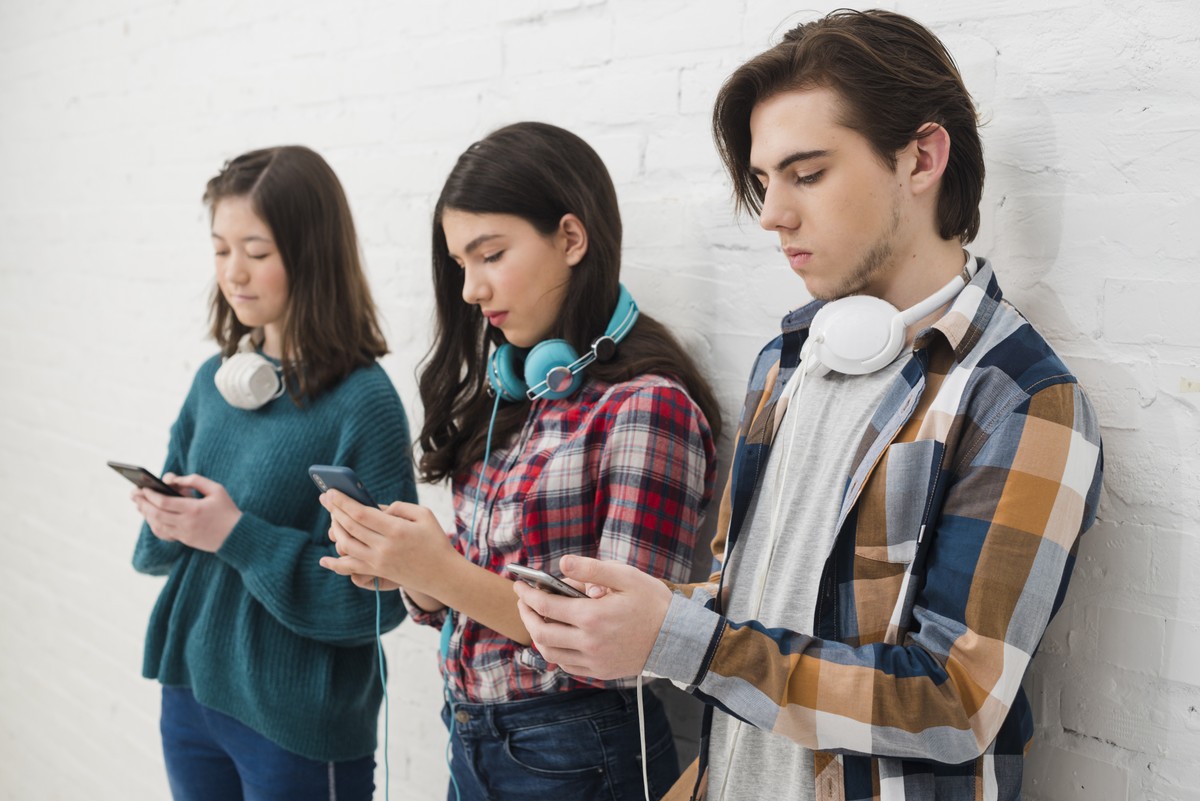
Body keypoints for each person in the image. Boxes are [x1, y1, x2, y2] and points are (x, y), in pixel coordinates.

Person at [513, 10, 1104, 801]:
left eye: (808, 173)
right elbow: (751, 607)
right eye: (764, 181)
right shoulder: (787, 363)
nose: (771, 215)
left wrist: (679, 638)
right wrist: (640, 616)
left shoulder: (1021, 399)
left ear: (922, 157)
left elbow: (955, 701)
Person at [318, 121, 722, 801]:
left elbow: (622, 646)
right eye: (460, 264)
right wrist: (414, 572)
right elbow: (481, 594)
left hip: (575, 750)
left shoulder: (648, 408)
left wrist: (439, 567)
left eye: (491, 254)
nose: (472, 288)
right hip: (473, 734)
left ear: (571, 238)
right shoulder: (517, 392)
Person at [130, 145, 416, 801]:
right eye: (220, 250)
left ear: (311, 255)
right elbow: (159, 557)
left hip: (297, 729)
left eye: (256, 252)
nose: (234, 273)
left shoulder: (362, 404)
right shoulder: (215, 383)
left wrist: (234, 531)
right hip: (192, 699)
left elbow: (377, 598)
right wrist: (169, 517)